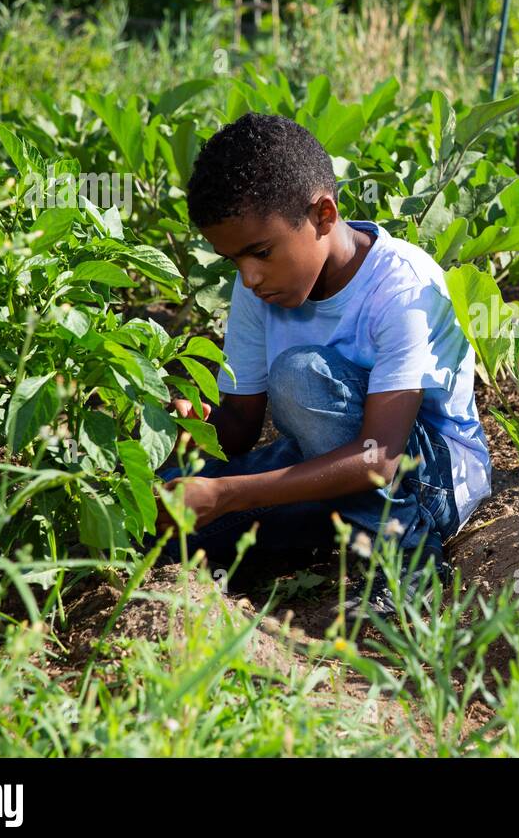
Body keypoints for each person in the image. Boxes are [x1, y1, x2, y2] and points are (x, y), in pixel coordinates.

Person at [155, 112, 492, 617]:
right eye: (235, 262)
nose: (249, 277)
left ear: (324, 215)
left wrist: (226, 493)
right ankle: (345, 531)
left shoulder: (401, 286)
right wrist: (182, 437)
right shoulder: (256, 291)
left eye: (261, 253)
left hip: (428, 479)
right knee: (170, 523)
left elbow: (379, 457)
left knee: (300, 376)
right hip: (331, 469)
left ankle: (409, 564)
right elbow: (240, 427)